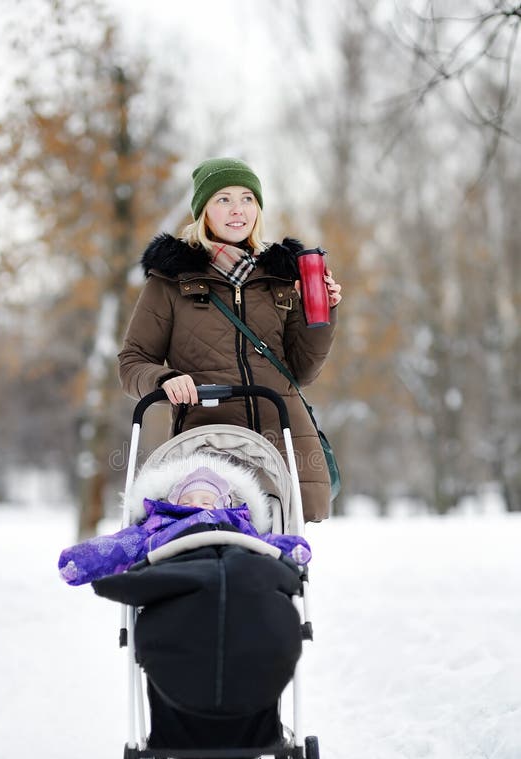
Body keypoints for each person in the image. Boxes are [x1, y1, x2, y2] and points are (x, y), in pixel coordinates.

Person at [117, 157, 342, 523]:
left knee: (279, 563)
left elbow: (301, 370)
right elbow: (132, 362)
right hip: (207, 445)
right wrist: (165, 379)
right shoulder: (172, 280)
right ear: (203, 210)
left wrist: (322, 313)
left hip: (283, 441)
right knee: (209, 543)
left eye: (247, 199)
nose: (238, 210)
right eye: (223, 199)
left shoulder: (281, 276)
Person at [58, 459, 311, 587]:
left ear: (224, 505)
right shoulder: (159, 522)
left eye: (207, 501)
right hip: (172, 570)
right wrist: (81, 561)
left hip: (232, 569)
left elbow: (263, 544)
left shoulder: (235, 521)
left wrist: (290, 548)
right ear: (173, 502)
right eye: (187, 500)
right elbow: (118, 546)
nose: (197, 505)